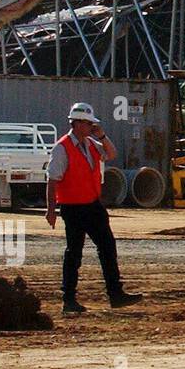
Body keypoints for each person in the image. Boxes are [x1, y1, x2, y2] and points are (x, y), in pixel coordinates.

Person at [45, 102, 143, 314]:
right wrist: (51, 210)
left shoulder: (91, 144)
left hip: (93, 205)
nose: (91, 127)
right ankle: (68, 299)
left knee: (108, 247)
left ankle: (116, 294)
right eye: (89, 124)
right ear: (77, 123)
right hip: (73, 208)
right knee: (74, 253)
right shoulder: (62, 148)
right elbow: (52, 180)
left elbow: (111, 153)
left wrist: (102, 135)